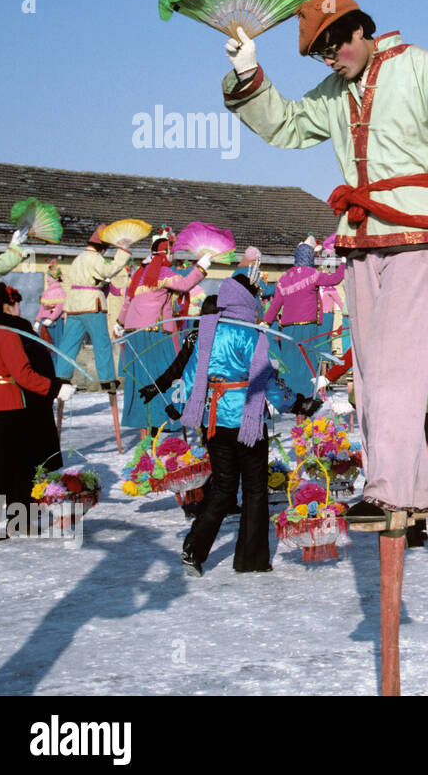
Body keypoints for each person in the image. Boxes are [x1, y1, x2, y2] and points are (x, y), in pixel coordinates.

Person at [222, 0, 428, 529]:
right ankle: (410, 491)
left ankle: (389, 490)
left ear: (357, 30)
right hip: (359, 239)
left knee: (397, 366)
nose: (329, 60)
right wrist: (248, 70)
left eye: (332, 47)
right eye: (320, 54)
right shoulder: (333, 92)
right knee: (370, 373)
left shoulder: (420, 66)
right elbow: (287, 126)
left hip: (418, 231)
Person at [178, 276, 297, 576]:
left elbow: (191, 376)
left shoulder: (208, 331)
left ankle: (194, 545)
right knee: (255, 490)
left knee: (223, 488)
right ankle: (251, 559)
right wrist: (292, 403)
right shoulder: (252, 334)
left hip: (214, 421)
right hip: (248, 420)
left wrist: (182, 408)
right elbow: (265, 380)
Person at [0, 283, 77, 539]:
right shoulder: (8, 334)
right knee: (12, 468)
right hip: (11, 405)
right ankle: (3, 524)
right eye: (14, 304)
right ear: (6, 307)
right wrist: (55, 388)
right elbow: (23, 374)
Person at [117, 233, 210, 440]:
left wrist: (119, 323)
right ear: (165, 253)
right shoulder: (163, 272)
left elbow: (127, 301)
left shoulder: (138, 275)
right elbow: (185, 285)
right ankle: (164, 422)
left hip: (133, 335)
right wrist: (202, 266)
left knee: (141, 381)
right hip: (155, 334)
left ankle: (145, 433)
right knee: (163, 377)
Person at [264, 238, 347, 400]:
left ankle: (289, 396)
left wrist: (266, 321)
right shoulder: (313, 274)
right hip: (307, 326)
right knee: (307, 361)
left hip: (287, 328)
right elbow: (334, 279)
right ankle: (307, 396)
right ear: (310, 258)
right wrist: (343, 264)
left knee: (289, 362)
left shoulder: (284, 277)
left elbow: (275, 304)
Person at [55, 225, 132, 387]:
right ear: (102, 247)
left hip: (74, 305)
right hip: (91, 304)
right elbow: (107, 271)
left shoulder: (78, 259)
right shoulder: (95, 258)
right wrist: (122, 252)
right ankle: (107, 378)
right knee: (101, 342)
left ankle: (62, 374)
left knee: (69, 342)